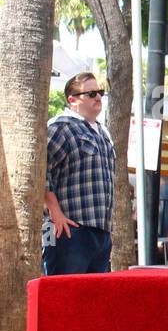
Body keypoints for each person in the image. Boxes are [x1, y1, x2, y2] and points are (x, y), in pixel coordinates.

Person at [43, 72, 116, 275]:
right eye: (91, 93)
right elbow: (41, 171)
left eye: (100, 92)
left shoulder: (103, 132)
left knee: (92, 303)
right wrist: (55, 213)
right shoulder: (61, 127)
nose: (99, 97)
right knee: (65, 301)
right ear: (72, 100)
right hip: (70, 232)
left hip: (101, 234)